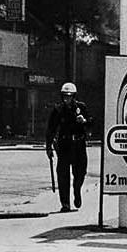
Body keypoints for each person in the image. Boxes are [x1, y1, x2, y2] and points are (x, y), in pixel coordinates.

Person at [46, 81, 92, 212]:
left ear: (74, 96)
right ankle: (65, 203)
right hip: (64, 145)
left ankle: (77, 191)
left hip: (79, 144)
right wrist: (48, 147)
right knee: (63, 174)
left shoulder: (81, 108)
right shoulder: (58, 110)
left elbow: (91, 123)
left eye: (69, 96)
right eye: (65, 96)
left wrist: (84, 121)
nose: (67, 99)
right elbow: (51, 129)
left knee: (80, 172)